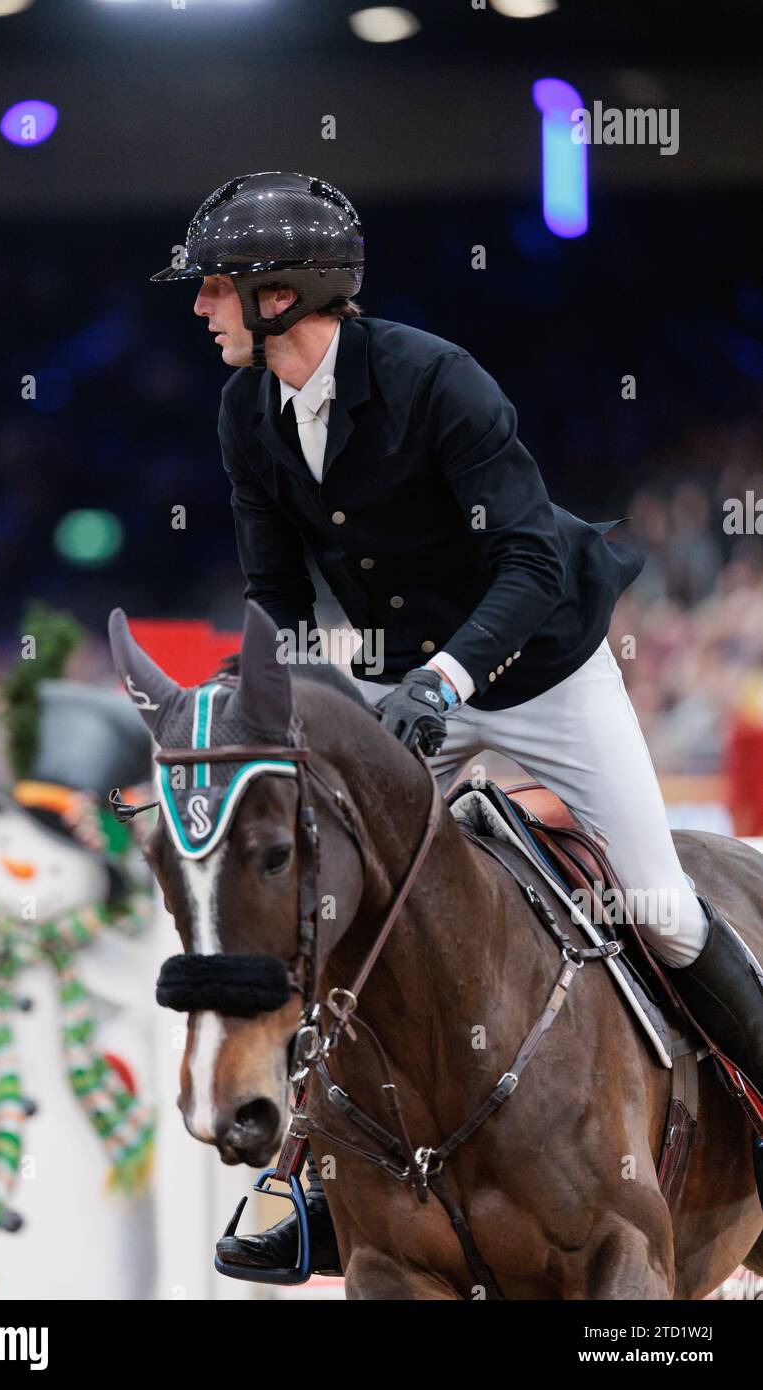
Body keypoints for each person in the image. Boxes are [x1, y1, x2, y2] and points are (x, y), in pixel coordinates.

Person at [151, 170, 763, 1275]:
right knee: (344, 901)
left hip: (545, 674)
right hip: (404, 690)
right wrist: (288, 712)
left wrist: (441, 680)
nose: (200, 308)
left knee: (660, 909)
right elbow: (273, 592)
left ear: (281, 297)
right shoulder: (249, 407)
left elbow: (529, 560)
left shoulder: (437, 380)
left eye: (214, 291)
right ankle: (314, 1184)